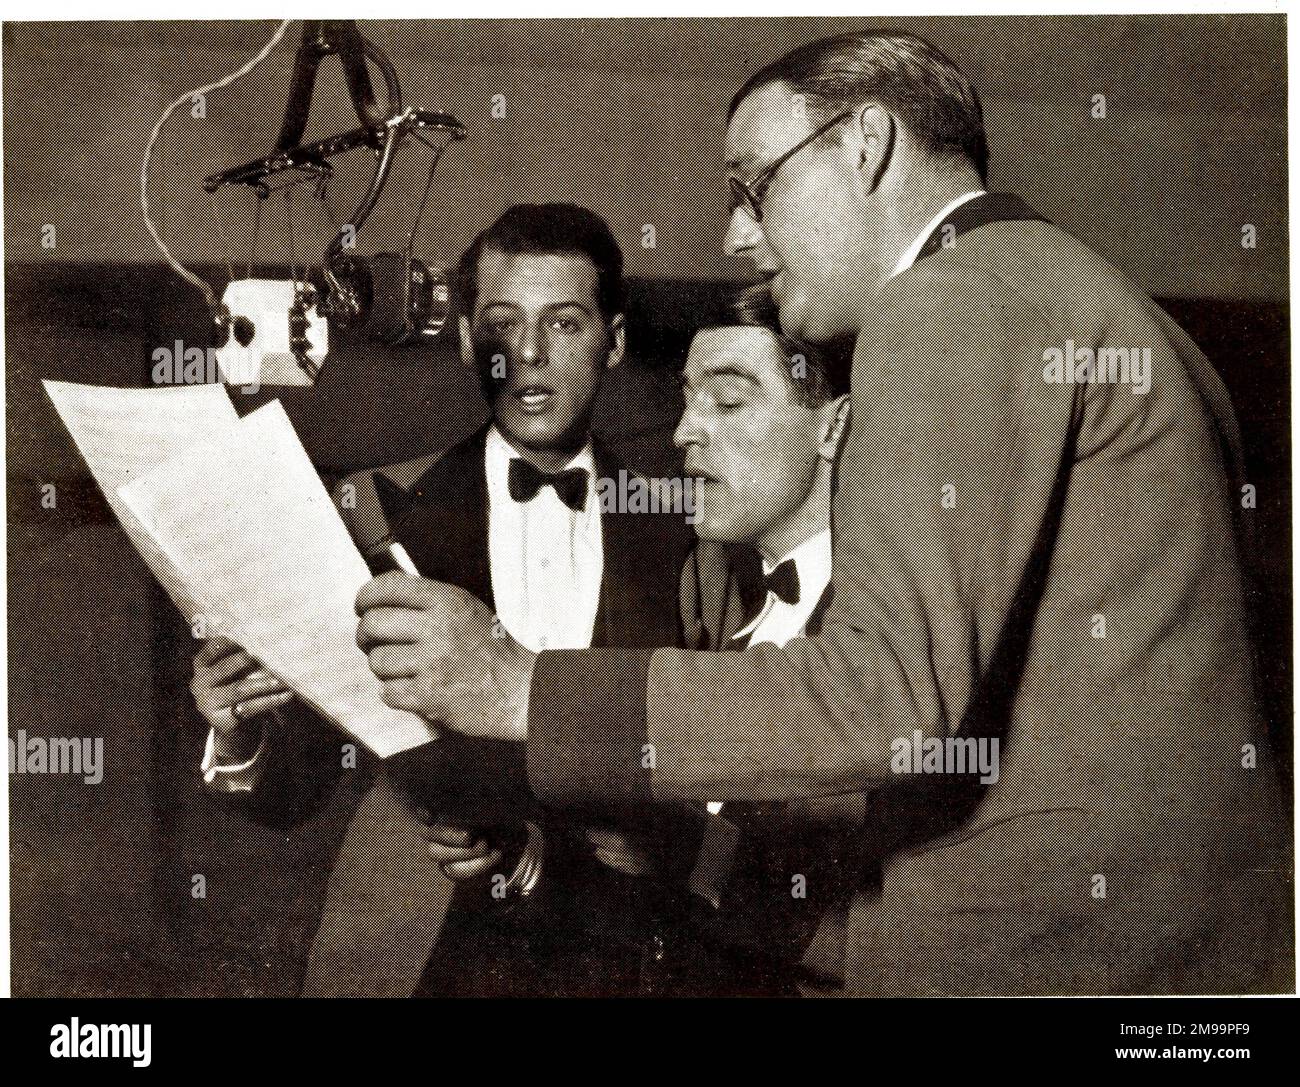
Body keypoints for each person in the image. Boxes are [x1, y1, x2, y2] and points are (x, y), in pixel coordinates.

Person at [355, 31, 1289, 994]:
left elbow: (881, 697)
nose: (736, 236)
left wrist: (519, 689)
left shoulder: (950, 299)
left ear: (866, 142)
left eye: (754, 185)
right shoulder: (1110, 308)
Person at [192, 203, 693, 997]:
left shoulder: (689, 529)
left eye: (564, 324)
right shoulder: (373, 511)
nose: (527, 353)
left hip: (624, 954)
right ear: (466, 339)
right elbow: (303, 782)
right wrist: (238, 732)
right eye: (501, 322)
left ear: (615, 342)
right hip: (421, 946)